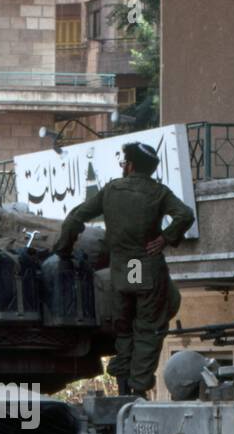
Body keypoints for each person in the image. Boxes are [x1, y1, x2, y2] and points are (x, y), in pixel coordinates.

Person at [55, 142, 195, 398]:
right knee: (149, 329)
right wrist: (165, 238)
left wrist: (63, 250)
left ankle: (122, 388)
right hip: (145, 269)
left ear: (129, 165)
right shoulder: (158, 192)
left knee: (124, 329)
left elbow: (75, 217)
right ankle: (138, 390)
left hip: (121, 274)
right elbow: (185, 215)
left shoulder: (111, 190)